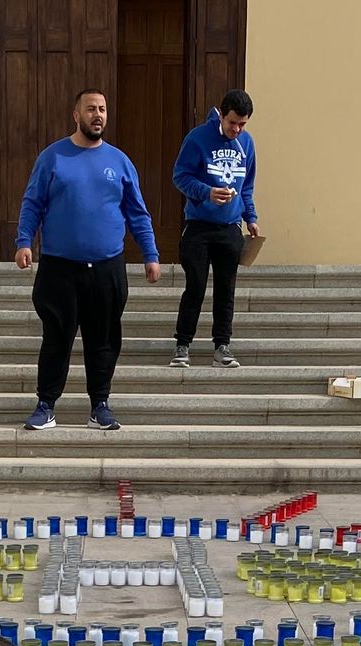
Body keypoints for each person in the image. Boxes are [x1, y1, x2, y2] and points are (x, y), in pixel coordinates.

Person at [15, 88, 162, 432]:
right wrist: (24, 241)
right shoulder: (53, 158)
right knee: (57, 338)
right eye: (91, 109)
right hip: (59, 267)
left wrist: (150, 254)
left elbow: (137, 214)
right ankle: (46, 405)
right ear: (76, 115)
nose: (98, 115)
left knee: (104, 340)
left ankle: (100, 405)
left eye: (103, 109)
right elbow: (32, 202)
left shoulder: (120, 162)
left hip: (107, 267)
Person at [171, 89, 259, 368]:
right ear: (221, 115)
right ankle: (182, 344)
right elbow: (180, 177)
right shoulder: (197, 138)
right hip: (198, 226)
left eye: (243, 124)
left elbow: (247, 186)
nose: (237, 129)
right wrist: (206, 192)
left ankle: (222, 346)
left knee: (226, 288)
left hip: (230, 228)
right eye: (233, 122)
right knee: (195, 286)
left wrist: (251, 217)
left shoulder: (247, 144)